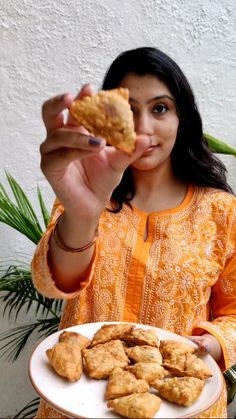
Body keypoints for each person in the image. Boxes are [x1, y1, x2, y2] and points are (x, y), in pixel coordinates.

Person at [32, 47, 236, 418]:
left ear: (182, 116)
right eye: (129, 110)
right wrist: (83, 213)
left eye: (159, 108)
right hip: (79, 403)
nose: (143, 127)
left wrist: (216, 344)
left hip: (182, 406)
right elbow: (51, 284)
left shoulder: (221, 211)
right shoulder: (86, 190)